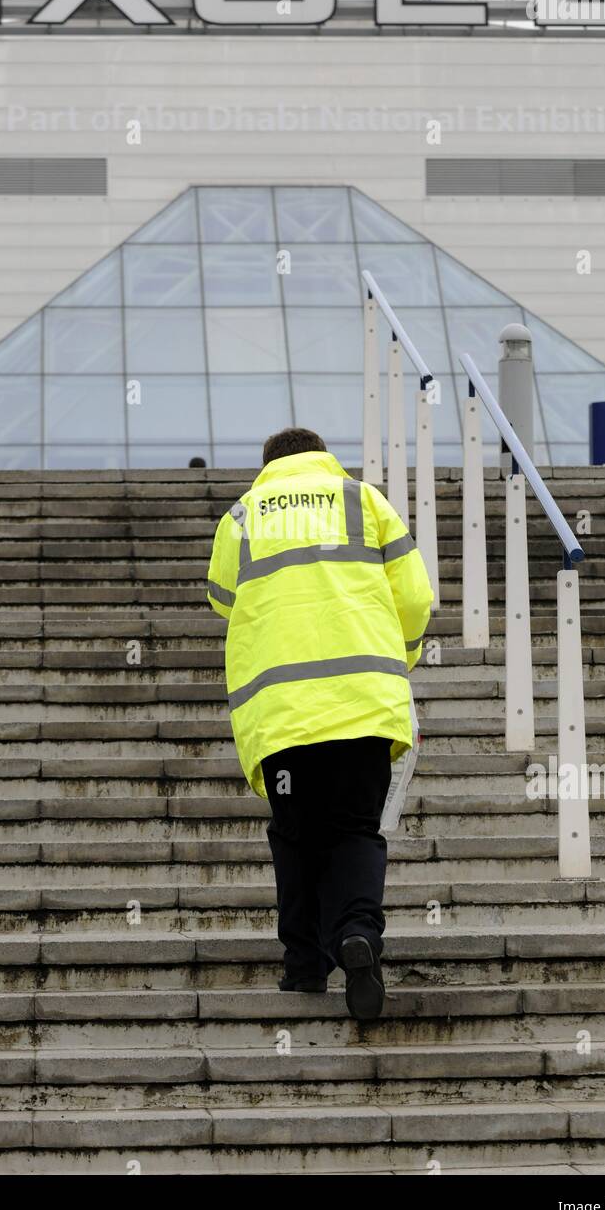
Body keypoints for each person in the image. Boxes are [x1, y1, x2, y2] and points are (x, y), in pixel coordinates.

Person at [206, 427, 433, 1019]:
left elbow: (222, 599)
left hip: (283, 719)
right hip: (363, 705)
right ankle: (358, 934)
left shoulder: (243, 515)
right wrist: (397, 660)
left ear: (267, 464)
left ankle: (305, 967)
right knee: (357, 829)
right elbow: (416, 597)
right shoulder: (364, 499)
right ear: (322, 455)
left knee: (295, 835)